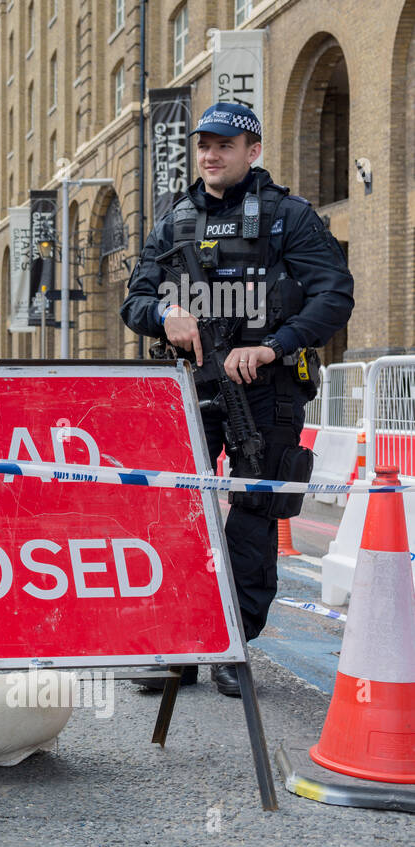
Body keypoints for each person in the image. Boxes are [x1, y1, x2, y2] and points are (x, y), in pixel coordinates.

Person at [121, 102, 353, 696]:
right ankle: (178, 645)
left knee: (254, 514)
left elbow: (332, 295)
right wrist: (162, 312)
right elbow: (136, 297)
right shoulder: (173, 219)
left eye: (225, 144)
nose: (211, 154)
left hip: (266, 389)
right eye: (204, 144)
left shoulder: (289, 217)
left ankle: (230, 642)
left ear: (253, 150)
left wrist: (275, 346)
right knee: (179, 513)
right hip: (190, 389)